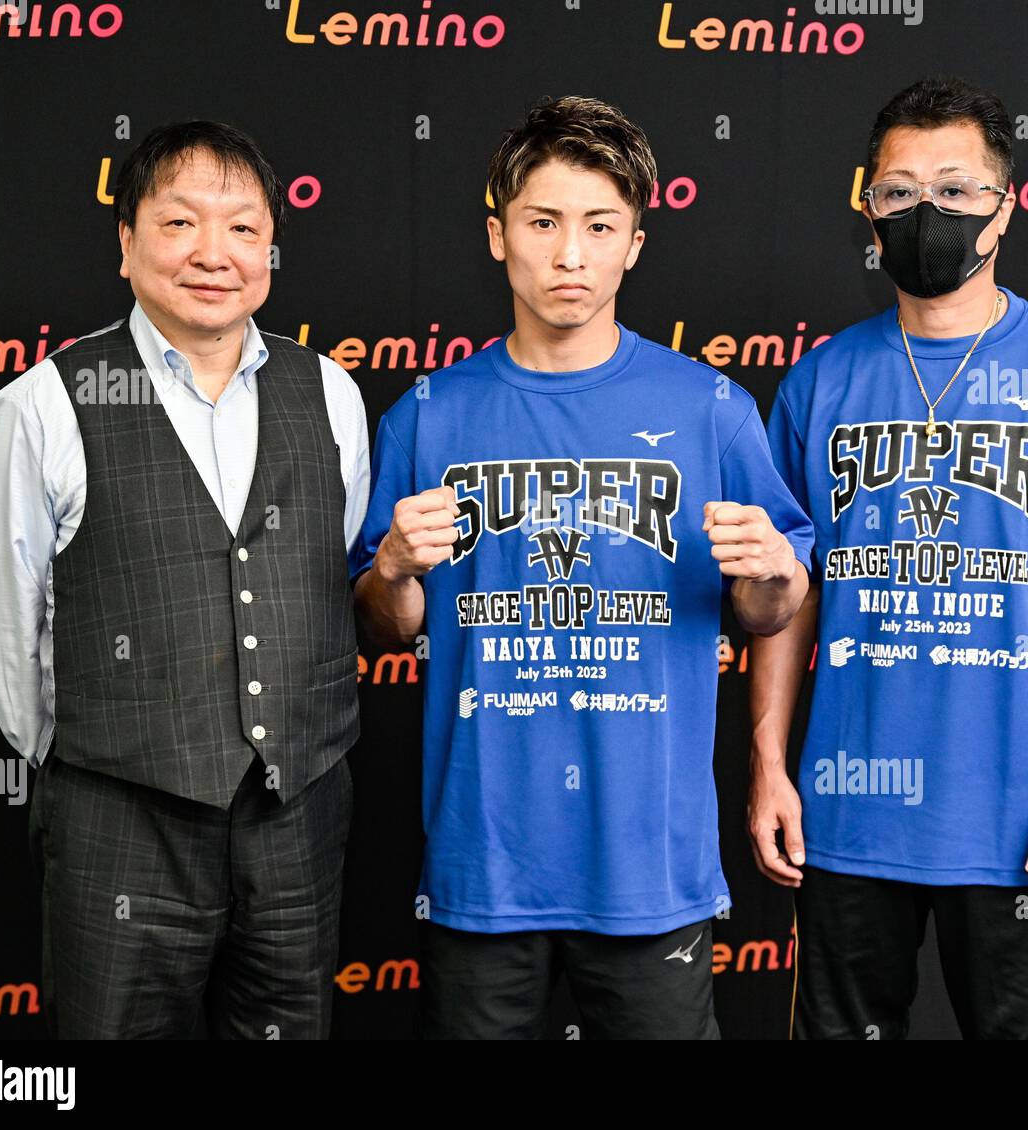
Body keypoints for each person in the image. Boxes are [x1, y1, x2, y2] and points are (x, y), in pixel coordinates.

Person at [747, 76, 1028, 1040]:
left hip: (1021, 822)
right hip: (847, 814)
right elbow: (790, 594)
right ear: (868, 210)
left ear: (1005, 206)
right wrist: (768, 764)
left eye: (955, 190)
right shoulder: (821, 380)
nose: (928, 213)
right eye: (900, 191)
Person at [352, 95, 814, 1040]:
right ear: (498, 236)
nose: (571, 255)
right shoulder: (429, 414)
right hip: (485, 860)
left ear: (635, 244)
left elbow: (770, 611)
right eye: (544, 223)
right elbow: (380, 626)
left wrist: (773, 570)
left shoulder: (712, 408)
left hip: (650, 866)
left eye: (600, 227)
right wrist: (395, 568)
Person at [0, 121, 370, 1038]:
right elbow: (10, 629)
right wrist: (105, 759)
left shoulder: (332, 394)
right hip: (119, 826)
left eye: (240, 227)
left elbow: (323, 574)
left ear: (272, 245)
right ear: (127, 242)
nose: (211, 254)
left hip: (297, 818)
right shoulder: (45, 404)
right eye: (179, 223)